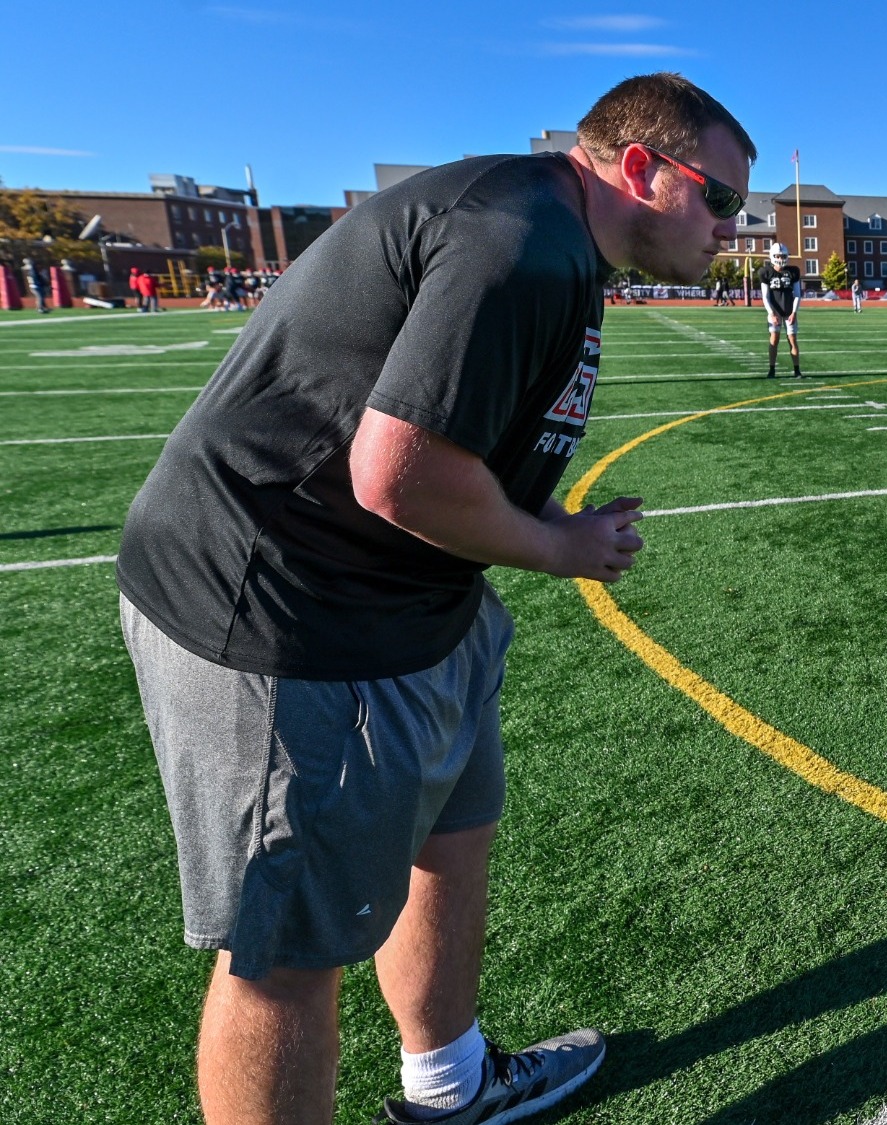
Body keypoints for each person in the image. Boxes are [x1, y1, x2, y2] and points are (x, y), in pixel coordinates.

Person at [115, 71, 754, 1125]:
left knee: (451, 835)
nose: (732, 229)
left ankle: (449, 1084)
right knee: (284, 951)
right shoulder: (519, 238)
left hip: (412, 598)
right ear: (639, 169)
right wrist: (556, 544)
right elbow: (396, 472)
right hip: (287, 611)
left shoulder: (552, 232)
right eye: (721, 200)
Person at [755, 243, 802, 377]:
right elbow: (765, 296)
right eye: (778, 255)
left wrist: (794, 312)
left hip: (789, 310)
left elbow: (798, 294)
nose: (780, 258)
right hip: (774, 310)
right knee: (774, 339)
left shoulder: (793, 271)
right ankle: (771, 369)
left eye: (783, 256)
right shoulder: (766, 272)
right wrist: (770, 313)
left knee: (792, 340)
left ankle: (797, 370)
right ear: (772, 256)